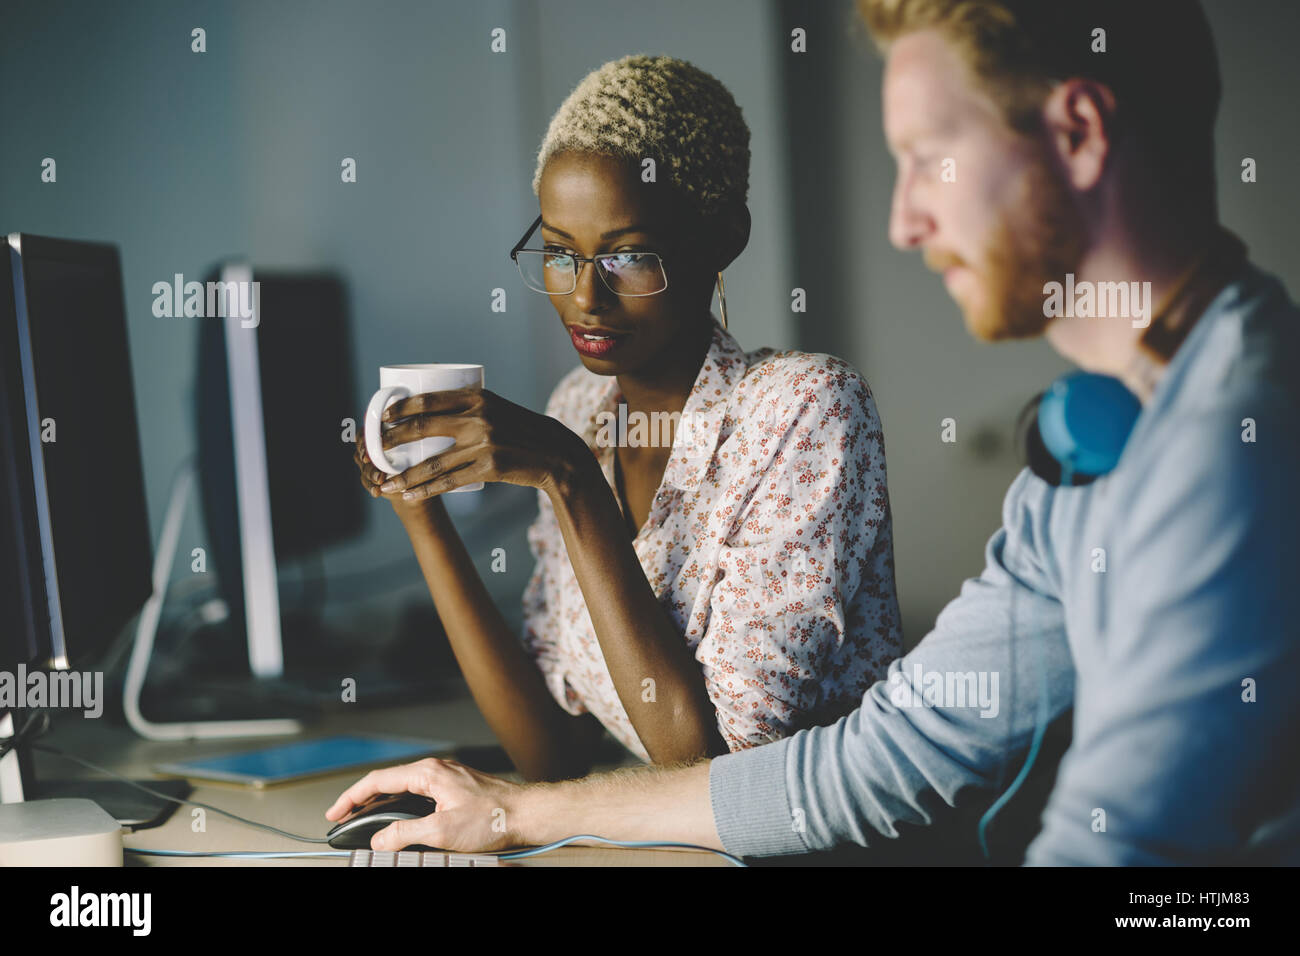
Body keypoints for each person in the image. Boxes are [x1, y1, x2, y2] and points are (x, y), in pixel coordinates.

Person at [330, 1, 1300, 865]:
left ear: (1079, 132)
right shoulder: (1097, 441)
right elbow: (880, 757)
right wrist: (518, 815)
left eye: (926, 159)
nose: (902, 222)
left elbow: (1132, 849)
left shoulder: (1232, 442)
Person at [350, 55, 903, 781]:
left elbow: (717, 782)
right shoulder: (576, 409)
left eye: (629, 255)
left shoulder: (805, 409)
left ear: (720, 239)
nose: (586, 298)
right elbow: (555, 751)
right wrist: (420, 511)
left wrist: (572, 478)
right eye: (558, 253)